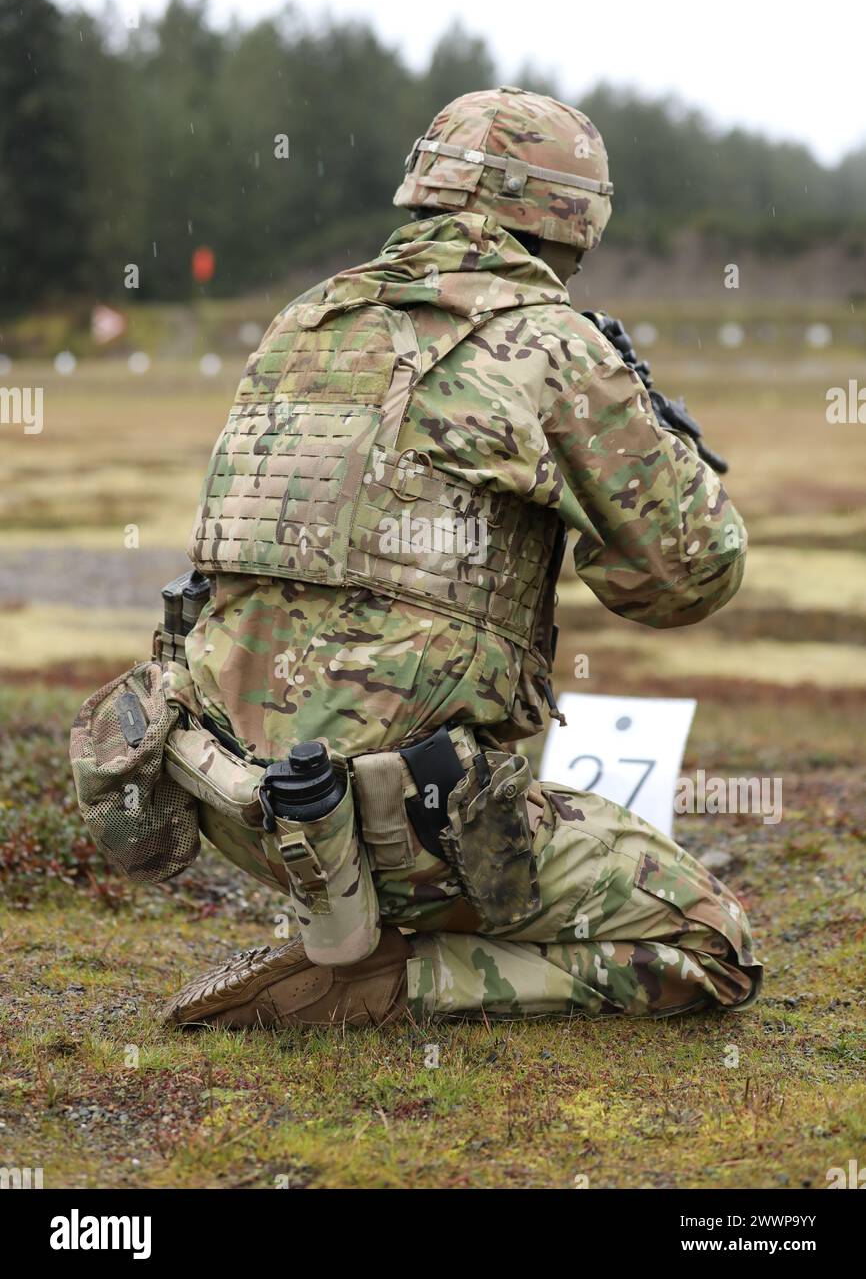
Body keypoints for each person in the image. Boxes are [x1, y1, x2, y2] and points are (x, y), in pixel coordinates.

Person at [163, 86, 761, 1029]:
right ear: (572, 218)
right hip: (408, 822)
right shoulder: (553, 346)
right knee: (710, 945)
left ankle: (349, 927)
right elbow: (686, 579)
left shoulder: (304, 322)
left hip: (235, 800)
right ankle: (394, 985)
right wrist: (656, 437)